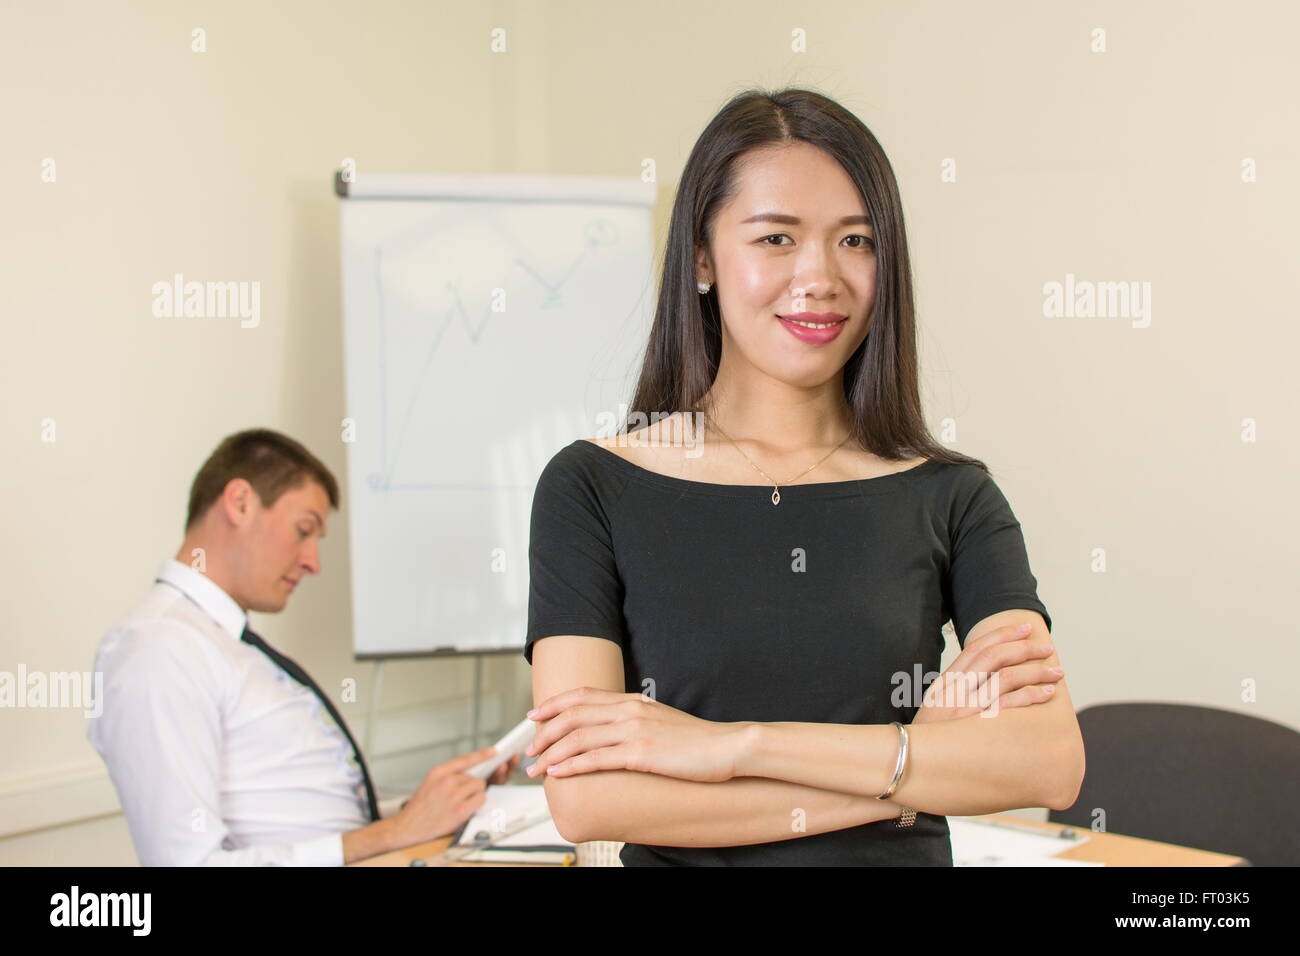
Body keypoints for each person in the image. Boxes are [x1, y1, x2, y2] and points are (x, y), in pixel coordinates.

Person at [522, 88, 1085, 865]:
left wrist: (733, 747)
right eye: (777, 238)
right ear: (702, 257)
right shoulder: (593, 488)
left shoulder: (953, 496)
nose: (820, 277)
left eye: (856, 241)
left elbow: (1047, 762)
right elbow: (589, 799)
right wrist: (910, 767)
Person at [89, 428, 518, 866]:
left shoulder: (222, 643)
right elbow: (184, 865)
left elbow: (304, 822)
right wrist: (395, 833)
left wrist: (429, 808)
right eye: (304, 530)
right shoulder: (157, 648)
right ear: (239, 503)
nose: (313, 562)